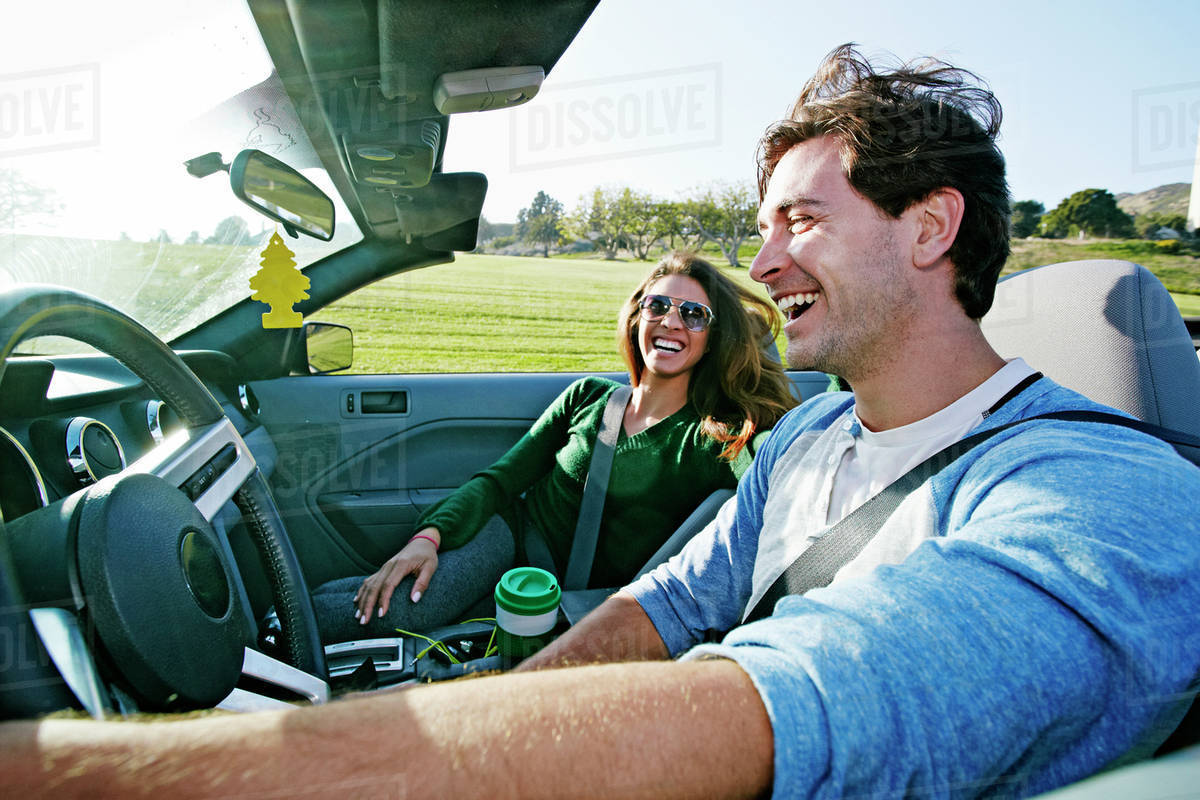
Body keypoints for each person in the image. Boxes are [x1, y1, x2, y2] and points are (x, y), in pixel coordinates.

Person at [3, 44, 1200, 800]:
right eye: (762, 223)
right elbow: (667, 603)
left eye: (800, 221)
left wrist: (109, 774)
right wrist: (516, 687)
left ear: (930, 229)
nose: (762, 258)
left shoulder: (1099, 496)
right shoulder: (807, 444)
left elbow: (813, 696)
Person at [311, 251, 797, 643]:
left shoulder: (717, 436)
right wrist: (428, 538)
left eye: (693, 314)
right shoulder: (587, 397)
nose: (671, 321)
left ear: (711, 340)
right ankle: (272, 632)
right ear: (636, 319)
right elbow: (500, 481)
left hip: (577, 601)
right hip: (508, 544)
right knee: (391, 607)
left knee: (404, 624)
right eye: (658, 306)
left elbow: (774, 491)